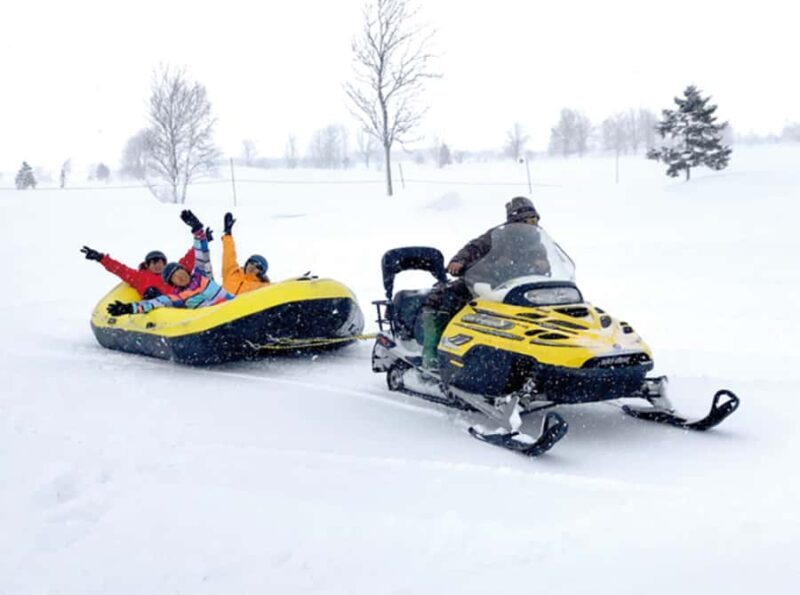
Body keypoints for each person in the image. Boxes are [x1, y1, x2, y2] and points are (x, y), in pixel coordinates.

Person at [420, 196, 543, 369]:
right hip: (485, 282)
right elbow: (473, 248)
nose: (532, 225)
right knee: (440, 299)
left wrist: (542, 265)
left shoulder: (537, 242)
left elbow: (547, 263)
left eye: (534, 220)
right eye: (527, 221)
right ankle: (431, 355)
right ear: (515, 221)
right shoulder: (497, 236)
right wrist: (459, 261)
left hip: (517, 288)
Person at [106, 210, 234, 316]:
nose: (180, 276)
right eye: (175, 277)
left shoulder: (202, 275)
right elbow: (155, 303)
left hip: (233, 307)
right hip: (214, 318)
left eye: (180, 271)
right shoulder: (178, 296)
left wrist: (197, 229)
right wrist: (129, 308)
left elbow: (200, 253)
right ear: (173, 284)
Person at [81, 244, 195, 298]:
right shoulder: (140, 277)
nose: (159, 265)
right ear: (147, 265)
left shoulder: (173, 272)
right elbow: (120, 269)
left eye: (161, 262)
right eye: (154, 262)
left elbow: (189, 259)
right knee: (151, 291)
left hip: (179, 304)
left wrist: (202, 240)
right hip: (158, 310)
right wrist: (100, 258)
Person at [220, 212, 271, 295]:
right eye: (251, 263)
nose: (252, 267)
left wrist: (297, 282)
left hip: (241, 308)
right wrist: (227, 234)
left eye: (257, 267)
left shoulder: (261, 287)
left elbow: (281, 288)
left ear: (261, 273)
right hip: (219, 307)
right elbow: (229, 254)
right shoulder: (232, 272)